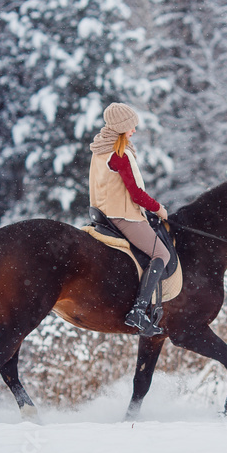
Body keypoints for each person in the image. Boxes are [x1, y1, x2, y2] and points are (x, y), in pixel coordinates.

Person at [89, 103, 171, 336]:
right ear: (120, 127)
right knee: (161, 254)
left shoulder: (100, 150)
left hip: (102, 213)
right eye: (130, 126)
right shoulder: (119, 155)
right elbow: (136, 193)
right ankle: (138, 310)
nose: (134, 130)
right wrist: (158, 209)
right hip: (123, 216)